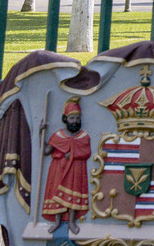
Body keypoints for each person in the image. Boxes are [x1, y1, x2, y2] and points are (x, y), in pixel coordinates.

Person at [41, 98, 91, 234]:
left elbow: (86, 152)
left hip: (76, 170)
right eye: (72, 118)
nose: (75, 121)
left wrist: (73, 154)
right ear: (65, 119)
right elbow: (46, 151)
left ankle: (71, 222)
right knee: (57, 194)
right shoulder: (58, 135)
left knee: (73, 194)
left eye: (77, 118)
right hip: (58, 169)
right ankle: (57, 222)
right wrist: (42, 133)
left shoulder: (83, 136)